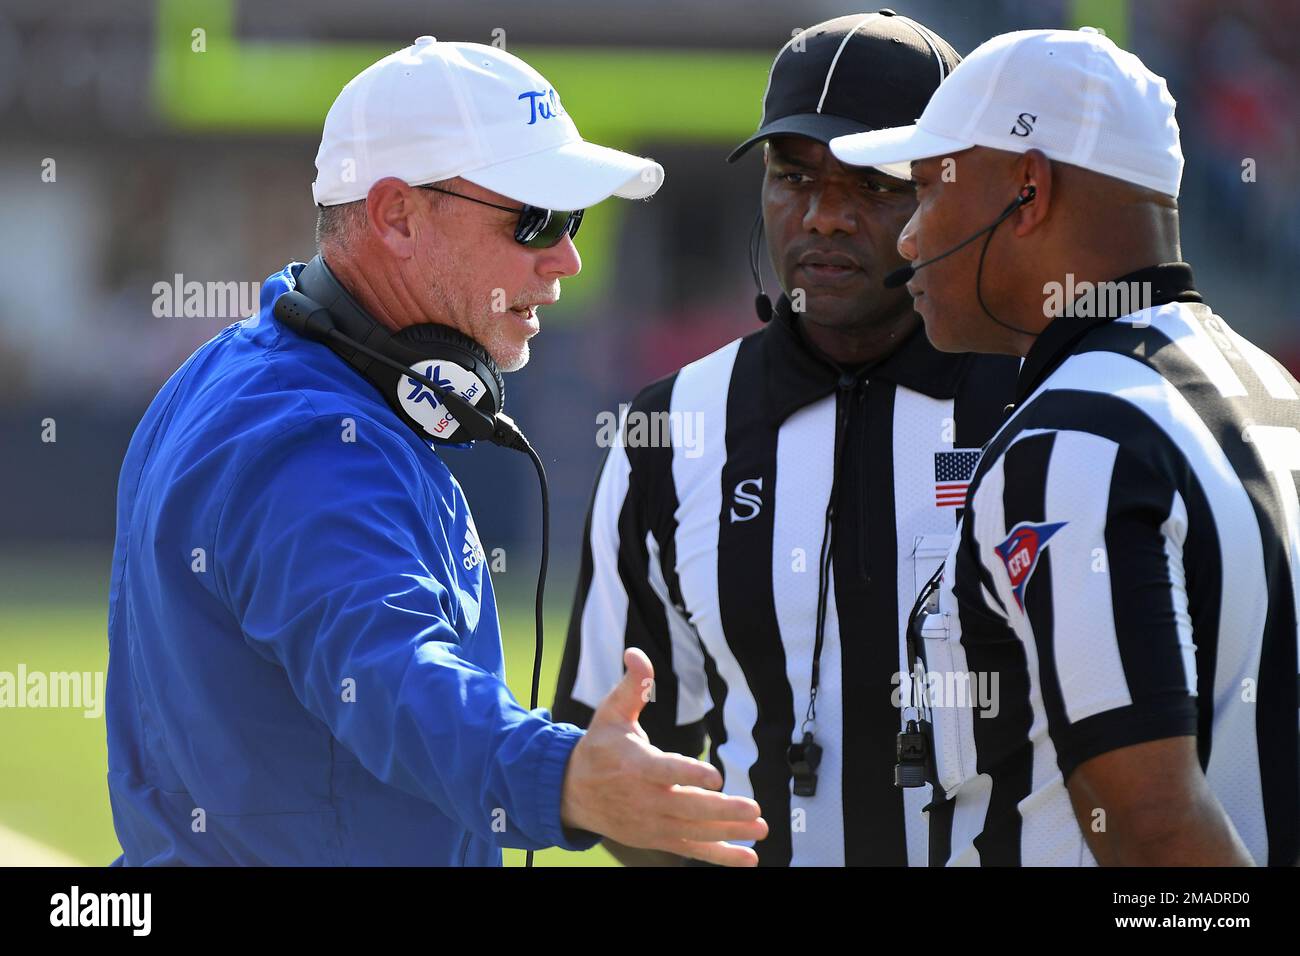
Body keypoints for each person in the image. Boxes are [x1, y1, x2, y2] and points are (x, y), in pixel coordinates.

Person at [105, 37, 766, 866]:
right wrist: (561, 776)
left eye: (574, 221)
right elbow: (391, 671)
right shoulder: (310, 439)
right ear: (397, 216)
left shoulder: (251, 375)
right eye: (537, 219)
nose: (567, 260)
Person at [552, 11, 1019, 866]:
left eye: (873, 183)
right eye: (793, 176)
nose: (826, 217)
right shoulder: (671, 429)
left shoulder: (1038, 407)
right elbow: (617, 770)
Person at [830, 27, 1299, 865]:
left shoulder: (1073, 438)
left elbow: (1154, 832)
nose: (906, 238)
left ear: (1028, 188)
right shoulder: (1272, 396)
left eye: (930, 187)